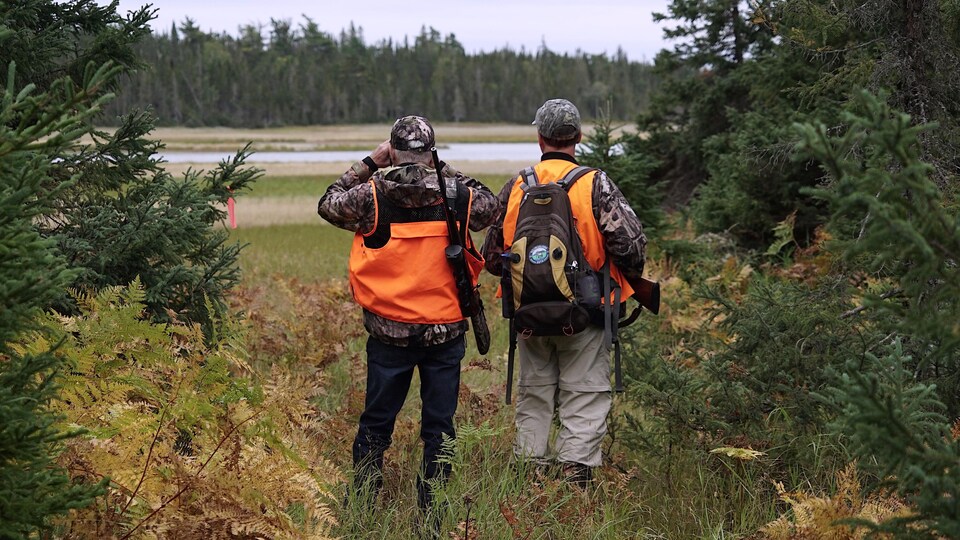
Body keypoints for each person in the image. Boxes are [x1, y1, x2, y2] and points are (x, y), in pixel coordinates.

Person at [317, 115, 499, 518]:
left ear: (393, 150)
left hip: (388, 333)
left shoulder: (370, 195)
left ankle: (363, 505)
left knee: (376, 423)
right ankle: (431, 512)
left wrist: (369, 162)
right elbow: (490, 203)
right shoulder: (455, 195)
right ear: (430, 151)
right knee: (440, 427)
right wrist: (441, 166)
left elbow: (327, 202)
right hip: (445, 331)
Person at [481, 99, 647, 488]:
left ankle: (529, 483)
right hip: (587, 313)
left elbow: (491, 257)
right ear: (578, 137)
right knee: (585, 396)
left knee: (534, 396)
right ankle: (575, 484)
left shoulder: (518, 185)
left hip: (529, 316)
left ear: (539, 138)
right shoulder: (595, 183)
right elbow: (631, 246)